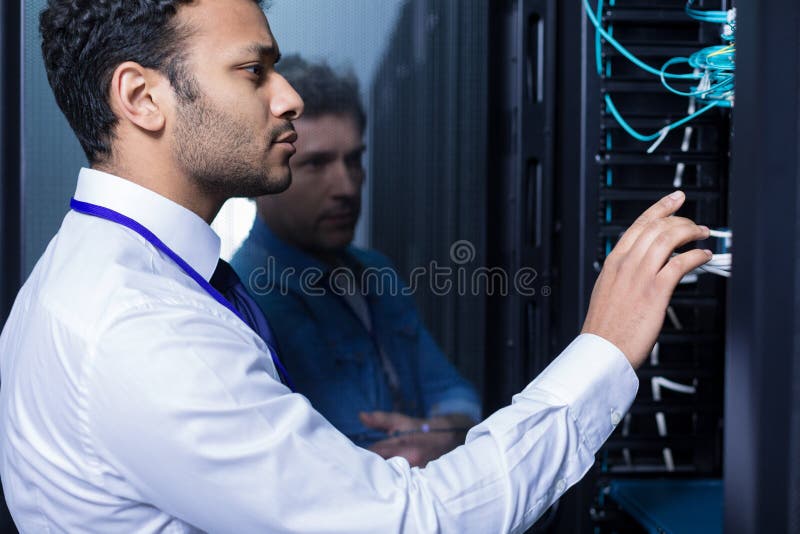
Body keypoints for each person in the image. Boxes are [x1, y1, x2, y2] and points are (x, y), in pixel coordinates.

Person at [0, 0, 713, 532]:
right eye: (254, 71)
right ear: (142, 98)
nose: (288, 98)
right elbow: (408, 523)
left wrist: (444, 435)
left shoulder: (109, 281)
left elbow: (442, 403)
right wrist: (605, 350)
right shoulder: (142, 328)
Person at [230, 55, 481, 467]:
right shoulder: (251, 299)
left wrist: (437, 433)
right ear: (266, 172)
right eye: (316, 163)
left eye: (353, 160)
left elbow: (457, 394)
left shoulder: (376, 271)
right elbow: (359, 453)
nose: (346, 187)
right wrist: (446, 434)